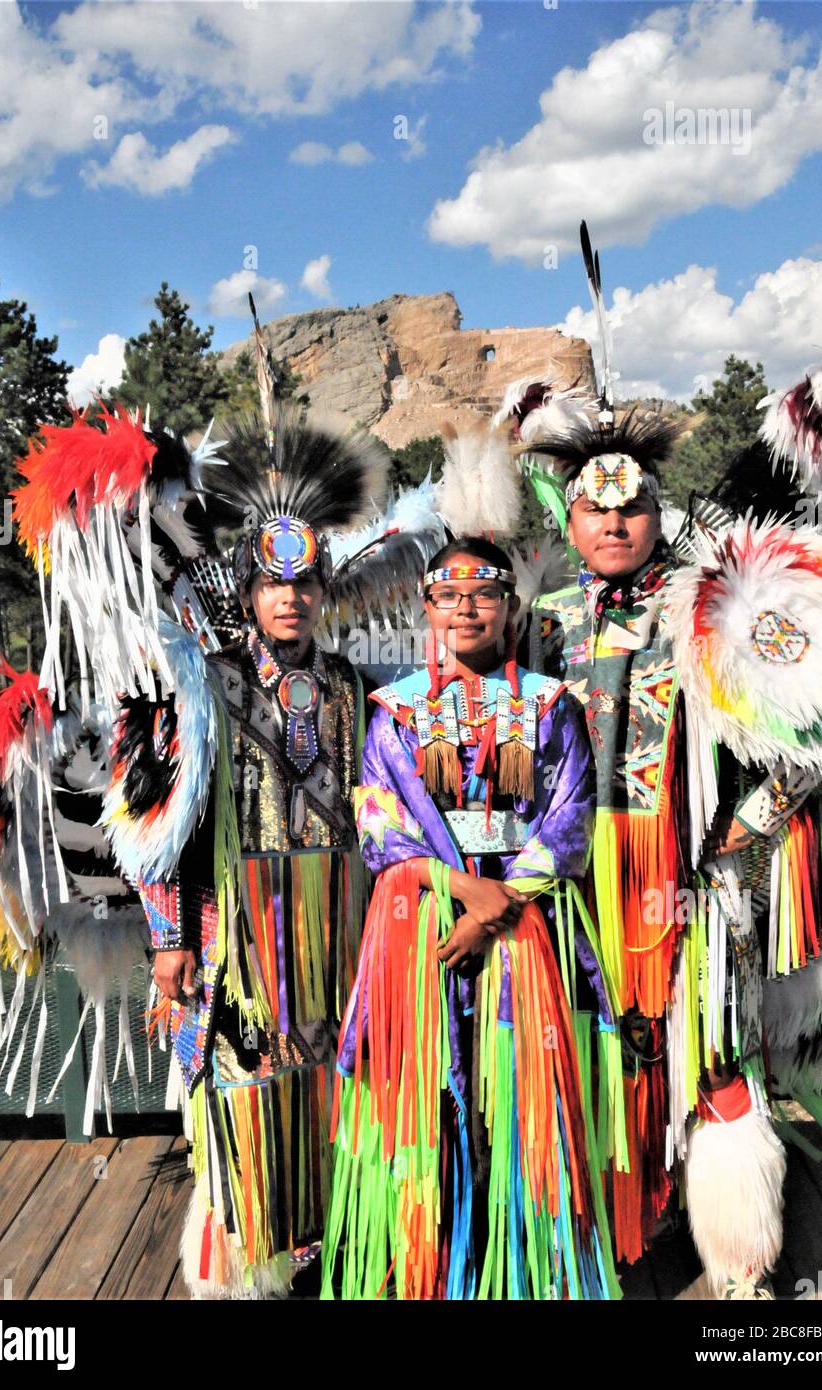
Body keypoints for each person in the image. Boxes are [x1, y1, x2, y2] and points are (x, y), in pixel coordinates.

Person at [523, 396, 822, 1299]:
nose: (614, 525)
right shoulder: (545, 618)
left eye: (631, 508)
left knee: (715, 1048)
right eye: (595, 511)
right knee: (592, 1046)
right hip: (572, 881)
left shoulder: (715, 601)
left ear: (655, 513)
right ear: (569, 517)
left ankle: (739, 1259)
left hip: (693, 877)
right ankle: (616, 1220)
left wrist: (738, 848)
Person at [115, 403, 386, 1298]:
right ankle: (245, 1268)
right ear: (247, 584)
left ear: (322, 590)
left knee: (331, 1090)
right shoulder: (208, 685)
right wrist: (170, 939)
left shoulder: (349, 684)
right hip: (240, 937)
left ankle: (326, 1249)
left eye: (306, 581)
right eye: (274, 582)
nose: (291, 596)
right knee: (246, 1091)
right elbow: (164, 821)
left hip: (339, 931)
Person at [321, 536, 619, 1300]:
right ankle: (431, 1261)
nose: (465, 609)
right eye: (448, 596)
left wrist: (497, 908)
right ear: (427, 607)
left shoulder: (551, 708)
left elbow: (569, 821)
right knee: (431, 1095)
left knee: (520, 1100)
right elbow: (381, 825)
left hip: (520, 928)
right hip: (424, 928)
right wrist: (460, 888)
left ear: (510, 607)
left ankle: (520, 1270)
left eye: (482, 595)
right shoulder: (395, 711)